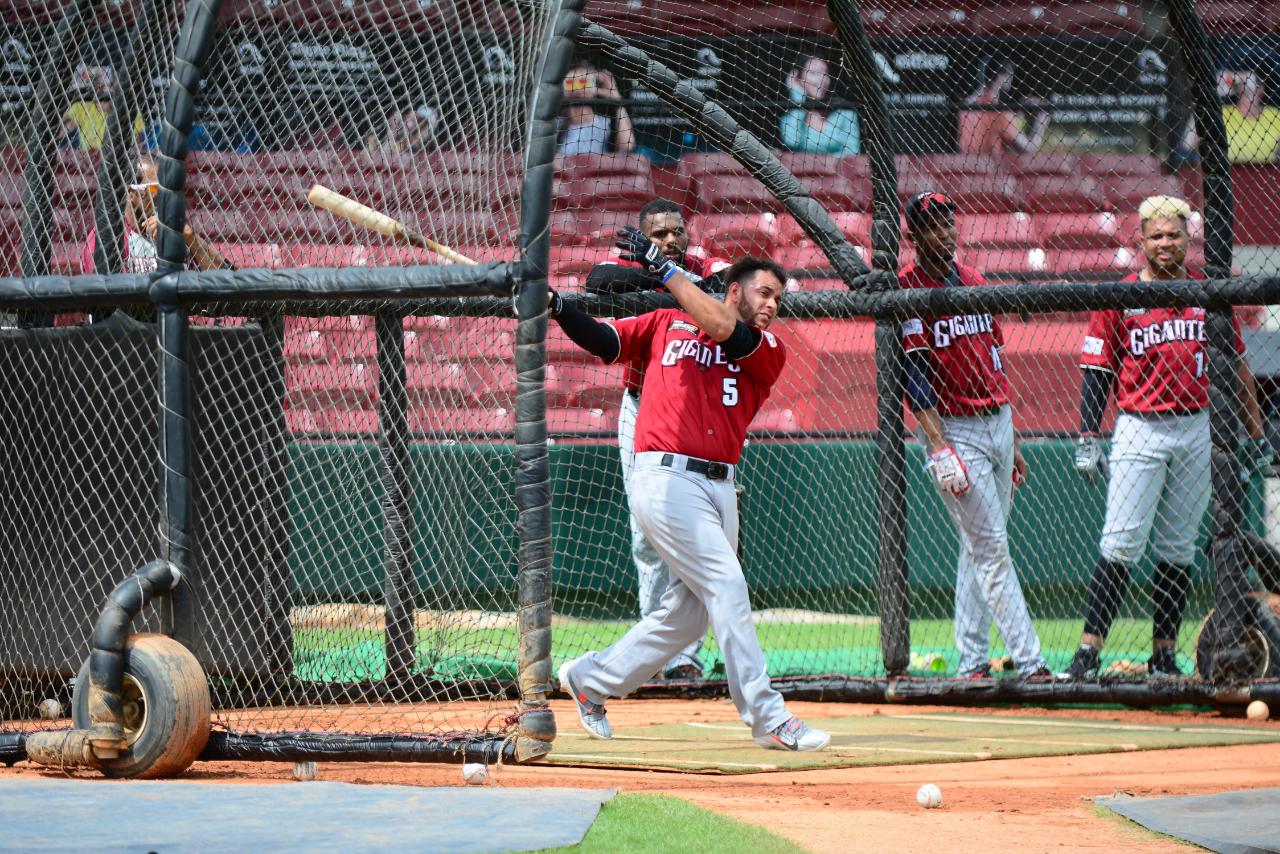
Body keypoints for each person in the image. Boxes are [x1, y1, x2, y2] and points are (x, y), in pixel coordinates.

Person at [550, 247, 830, 752]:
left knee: (688, 615)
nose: (772, 305)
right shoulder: (666, 322)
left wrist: (669, 271)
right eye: (763, 293)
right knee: (727, 585)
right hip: (665, 477)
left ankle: (592, 680)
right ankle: (767, 716)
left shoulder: (765, 347)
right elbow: (605, 341)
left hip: (721, 487)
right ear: (733, 292)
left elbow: (725, 329)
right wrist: (557, 306)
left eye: (778, 298)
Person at [1064, 195, 1268, 680]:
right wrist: (1088, 434)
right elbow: (1096, 370)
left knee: (1177, 548)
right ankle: (1089, 651)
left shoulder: (1208, 293)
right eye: (1155, 235)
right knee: (1120, 542)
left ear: (1188, 238)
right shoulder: (1122, 295)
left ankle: (1163, 654)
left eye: (1173, 234)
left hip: (1197, 427)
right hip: (1139, 426)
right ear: (1140, 240)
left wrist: (1256, 432)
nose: (1164, 243)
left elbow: (1239, 367)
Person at [898, 191, 1051, 681]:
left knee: (978, 547)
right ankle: (1030, 662)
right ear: (914, 235)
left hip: (999, 422)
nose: (943, 231)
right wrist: (938, 446)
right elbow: (914, 377)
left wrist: (1016, 441)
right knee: (991, 549)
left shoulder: (975, 281)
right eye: (931, 224)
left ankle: (970, 661)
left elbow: (995, 361)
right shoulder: (908, 289)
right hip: (955, 428)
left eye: (947, 221)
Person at [584, 198, 731, 681]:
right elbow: (598, 281)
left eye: (676, 231)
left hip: (694, 411)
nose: (670, 240)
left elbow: (728, 286)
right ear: (645, 235)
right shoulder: (634, 262)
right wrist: (658, 274)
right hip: (639, 404)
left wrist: (663, 273)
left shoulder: (701, 263)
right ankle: (654, 653)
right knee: (647, 536)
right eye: (658, 234)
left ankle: (685, 656)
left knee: (693, 535)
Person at [80, 155, 232, 275]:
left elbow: (226, 280)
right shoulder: (107, 238)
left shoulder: (175, 234)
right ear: (132, 193)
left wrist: (189, 236)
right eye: (154, 189)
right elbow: (112, 305)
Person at [957, 56, 1049, 157]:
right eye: (1010, 75)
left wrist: (1017, 114)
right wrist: (1042, 118)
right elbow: (1028, 149)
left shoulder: (966, 106)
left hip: (964, 168)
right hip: (990, 170)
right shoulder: (1001, 113)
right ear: (1002, 77)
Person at [779, 54, 860, 155]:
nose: (822, 79)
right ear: (798, 79)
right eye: (813, 73)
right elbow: (791, 141)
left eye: (825, 74)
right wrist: (797, 96)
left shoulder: (845, 113)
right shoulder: (792, 115)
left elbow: (853, 152)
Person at [559, 63, 634, 156]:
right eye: (571, 83)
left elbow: (626, 147)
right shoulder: (556, 125)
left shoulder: (605, 124)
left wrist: (617, 101)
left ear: (594, 85)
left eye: (584, 82)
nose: (579, 89)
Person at [62, 64, 143, 150]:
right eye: (100, 86)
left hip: (119, 156)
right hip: (90, 157)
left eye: (109, 86)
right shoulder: (82, 107)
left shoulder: (131, 110)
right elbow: (64, 128)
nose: (104, 90)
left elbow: (138, 143)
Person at [1221, 70, 1280, 164]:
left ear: (1262, 89)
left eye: (1255, 80)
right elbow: (1190, 144)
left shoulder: (1275, 115)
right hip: (1228, 173)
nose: (1247, 81)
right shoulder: (1223, 112)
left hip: (1268, 173)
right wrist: (1208, 97)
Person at [364, 104, 441, 153]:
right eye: (417, 117)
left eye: (420, 119)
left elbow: (414, 143)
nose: (416, 119)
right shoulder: (398, 122)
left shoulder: (421, 138)